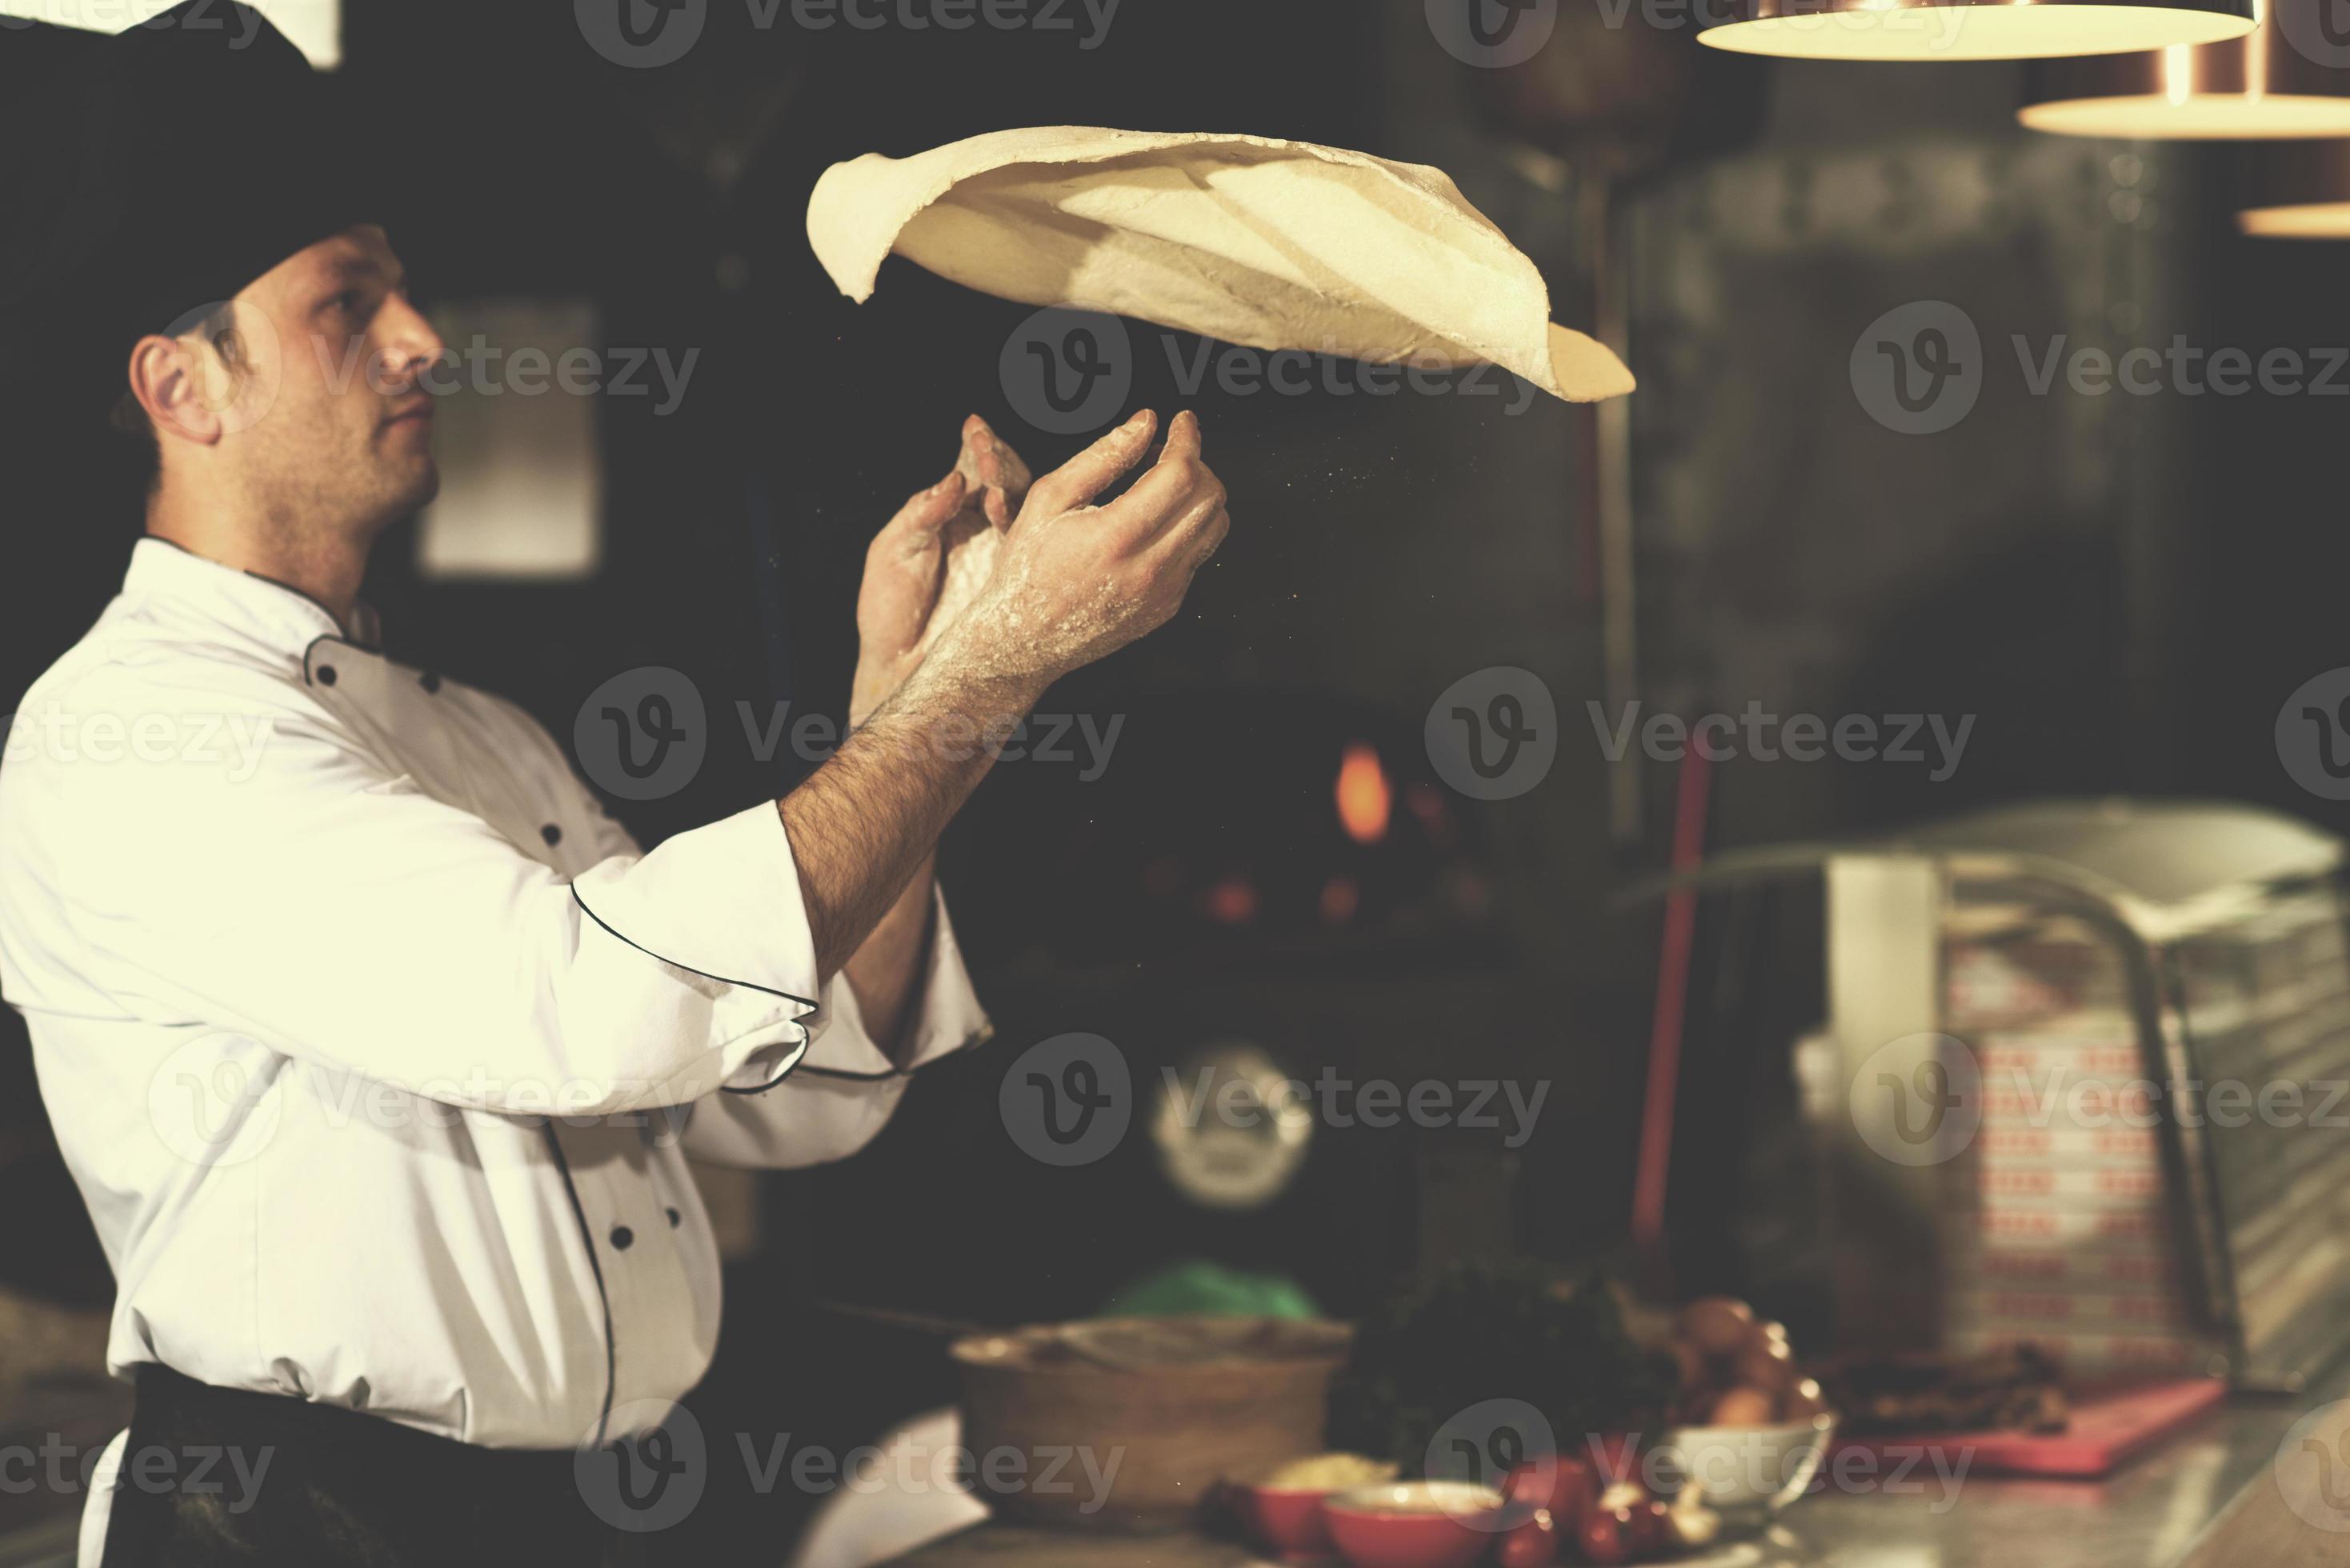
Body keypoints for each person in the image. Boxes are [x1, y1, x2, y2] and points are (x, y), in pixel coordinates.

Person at [0, 6, 1229, 1565]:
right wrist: (980, 682)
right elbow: (590, 1007)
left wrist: (904, 695)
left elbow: (786, 1096)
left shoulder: (481, 739)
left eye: (402, 290)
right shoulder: (139, 737)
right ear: (185, 386)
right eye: (347, 303)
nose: (424, 339)